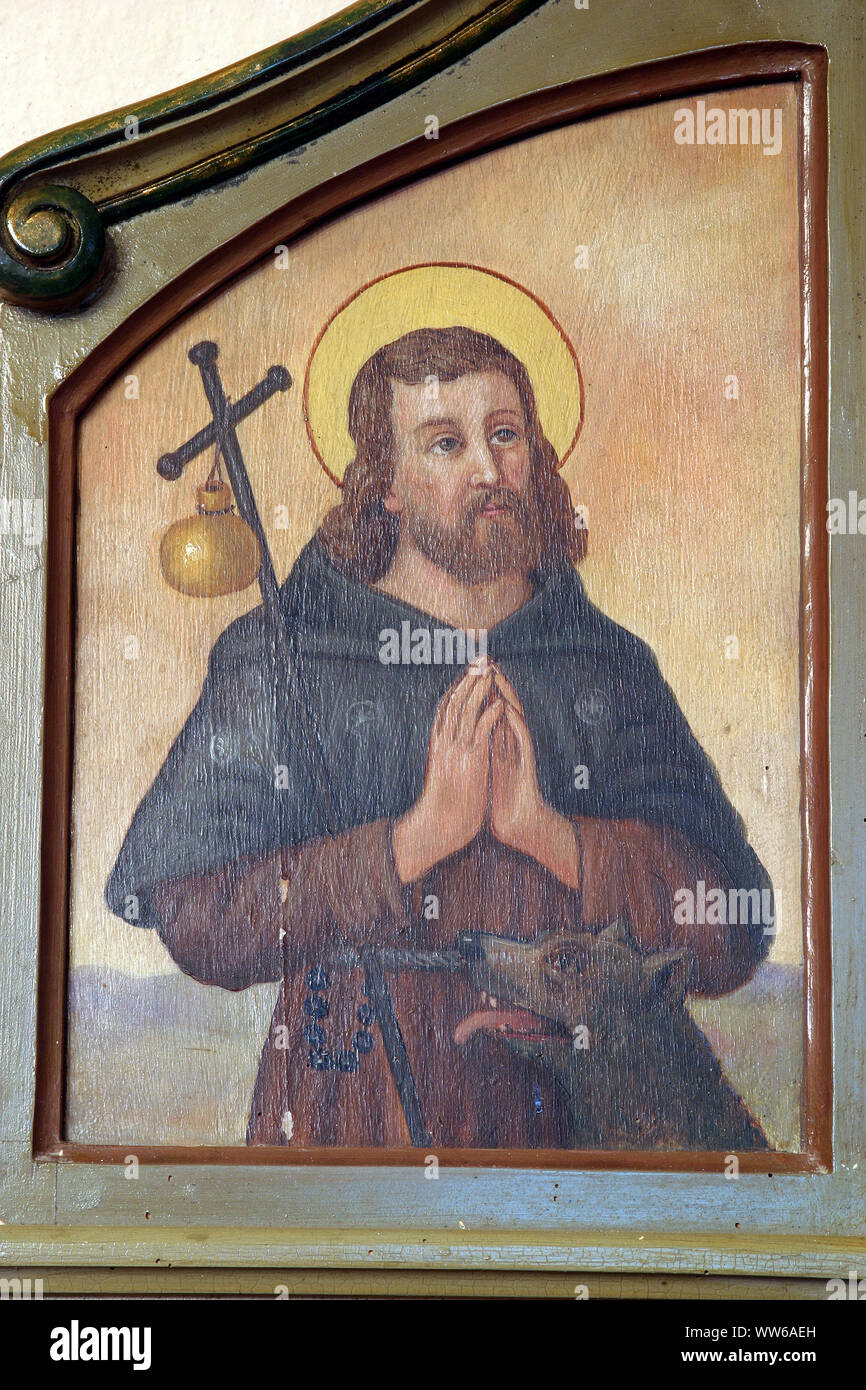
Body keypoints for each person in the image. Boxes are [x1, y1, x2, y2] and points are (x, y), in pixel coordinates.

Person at [105, 322, 772, 1148]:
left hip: (590, 1120)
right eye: (446, 443)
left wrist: (555, 837)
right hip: (358, 1095)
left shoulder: (604, 665)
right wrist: (412, 841)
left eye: (505, 435)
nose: (490, 471)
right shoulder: (286, 656)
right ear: (384, 482)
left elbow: (731, 932)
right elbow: (199, 919)